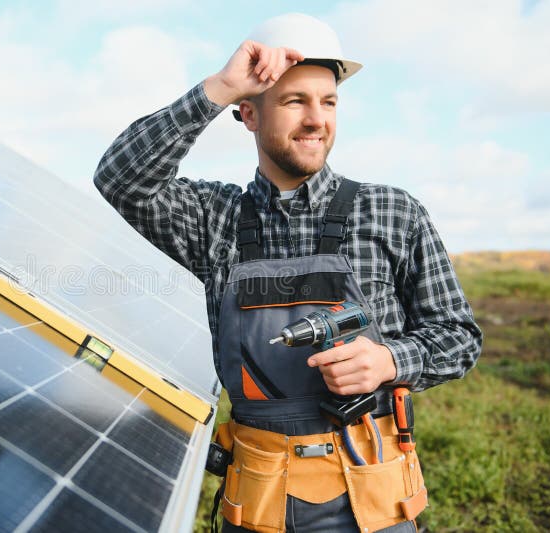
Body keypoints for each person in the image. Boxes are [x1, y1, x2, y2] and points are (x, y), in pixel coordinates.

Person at [94, 13, 482, 533]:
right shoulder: (215, 219)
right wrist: (219, 88)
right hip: (259, 501)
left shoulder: (392, 211)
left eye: (328, 101)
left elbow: (458, 336)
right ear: (249, 114)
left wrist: (389, 360)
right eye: (295, 101)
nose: (317, 119)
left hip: (373, 497)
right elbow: (120, 178)